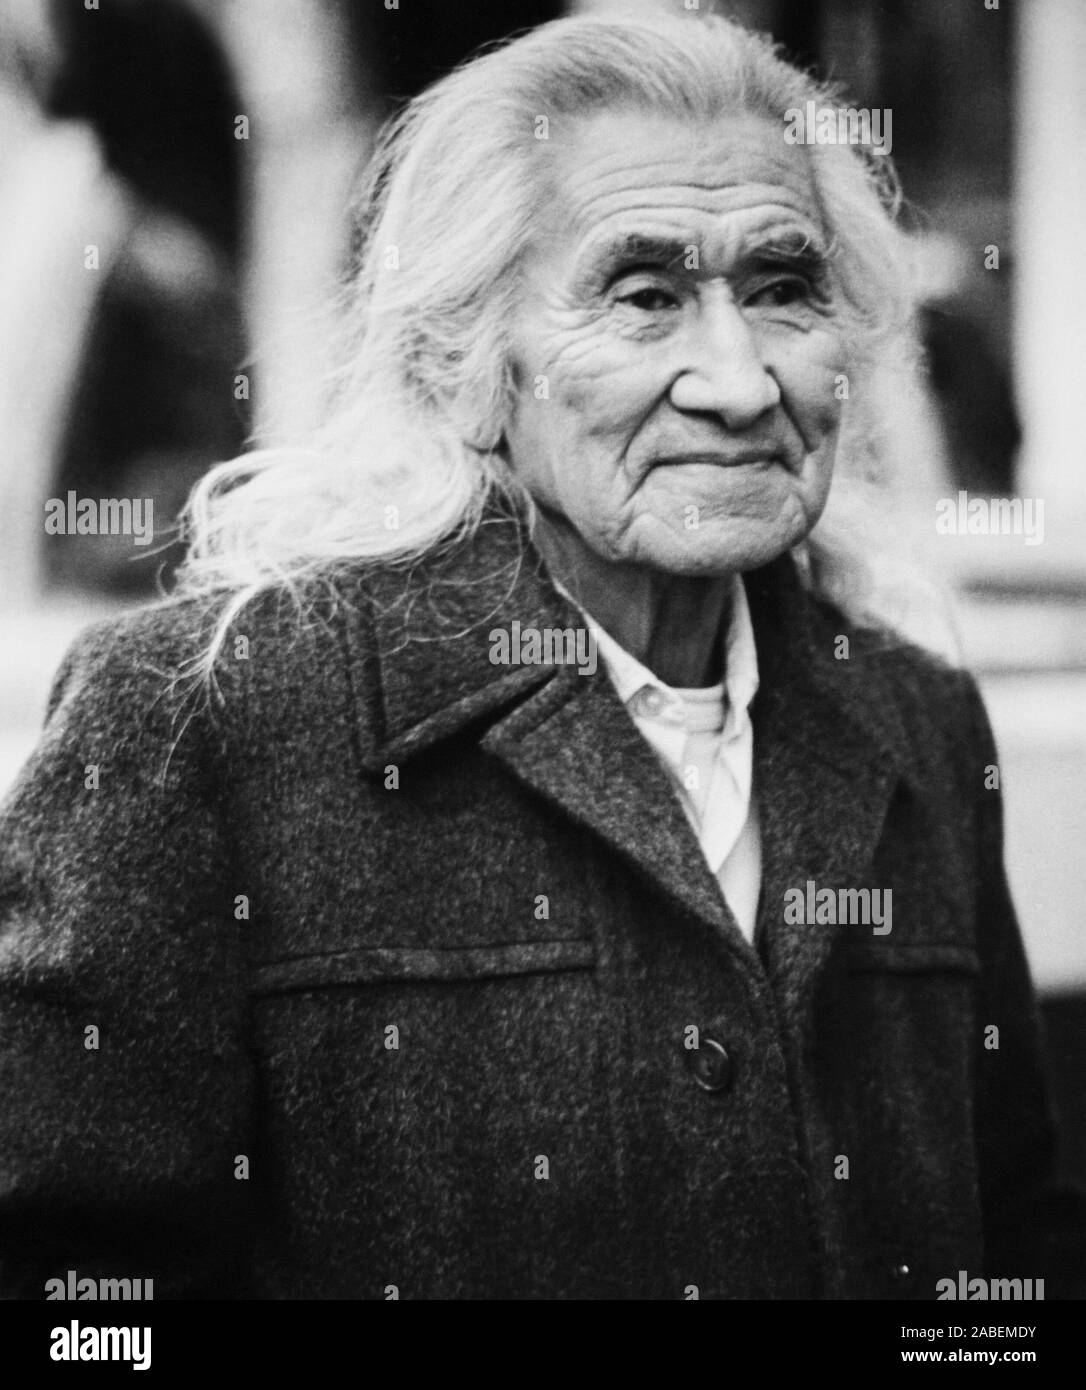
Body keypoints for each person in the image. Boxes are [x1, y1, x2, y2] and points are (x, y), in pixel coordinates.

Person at [0, 12, 1079, 1300]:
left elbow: (1011, 1257)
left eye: (785, 290)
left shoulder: (917, 721)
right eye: (644, 296)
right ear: (468, 370)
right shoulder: (202, 722)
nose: (738, 381)